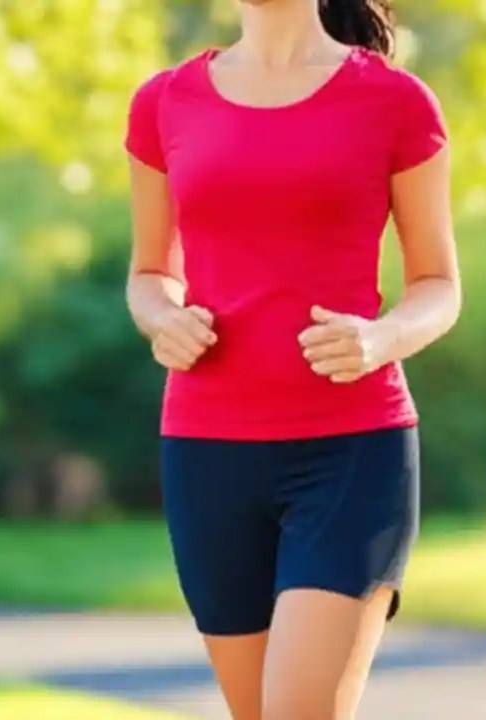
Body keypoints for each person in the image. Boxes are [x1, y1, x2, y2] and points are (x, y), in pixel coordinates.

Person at [124, 0, 458, 717]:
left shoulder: (396, 102)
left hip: (352, 449)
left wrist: (380, 339)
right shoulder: (164, 102)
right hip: (208, 454)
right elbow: (150, 272)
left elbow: (439, 286)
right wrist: (162, 320)